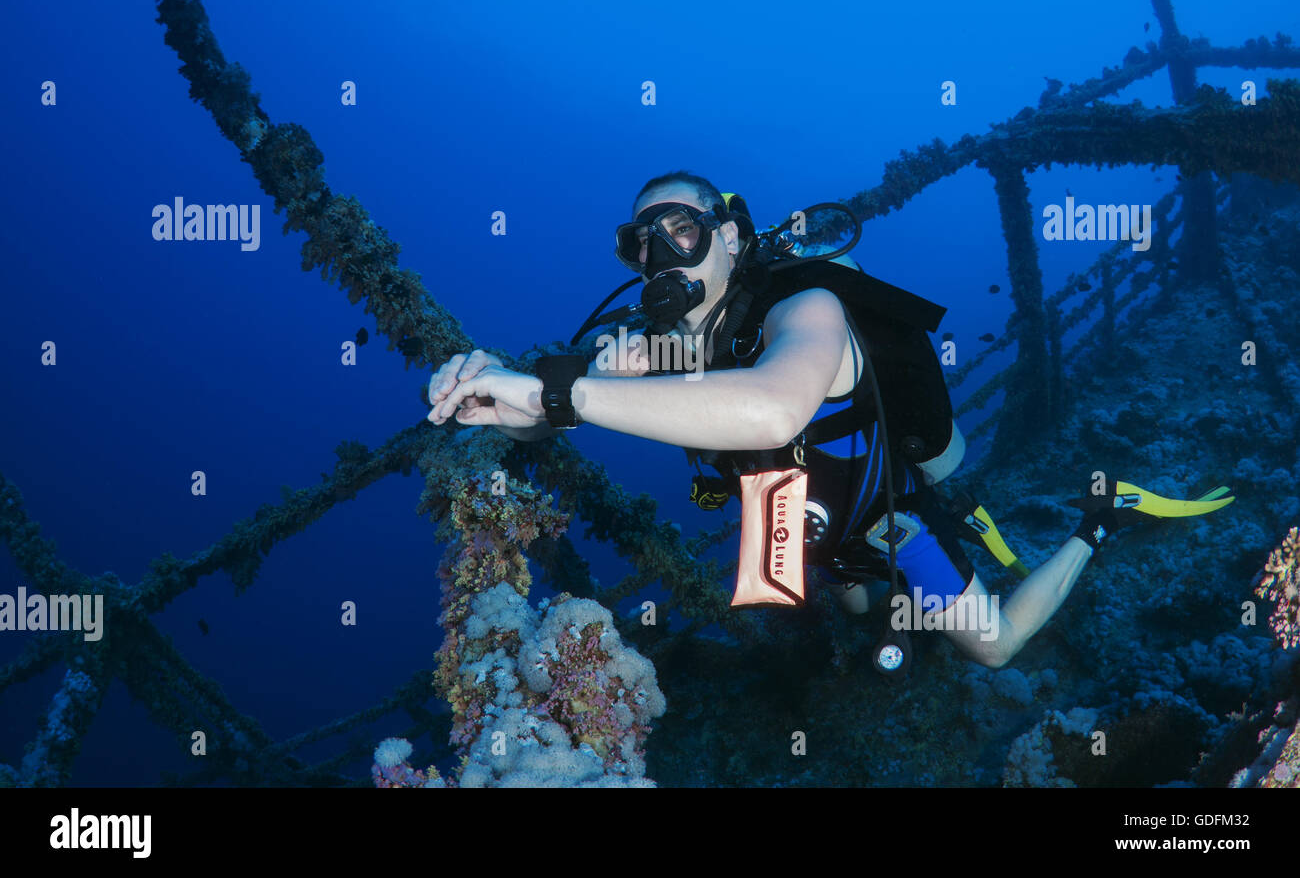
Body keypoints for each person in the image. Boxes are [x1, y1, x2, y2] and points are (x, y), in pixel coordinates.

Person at [427, 171, 1232, 669]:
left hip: (887, 519)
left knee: (994, 649)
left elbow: (776, 401)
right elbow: (552, 412)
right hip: (819, 537)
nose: (662, 256)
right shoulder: (654, 351)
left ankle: (1099, 517)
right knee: (857, 613)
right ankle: (899, 605)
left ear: (731, 236)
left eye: (682, 229)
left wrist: (558, 394)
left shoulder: (804, 307)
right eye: (642, 243)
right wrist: (510, 405)